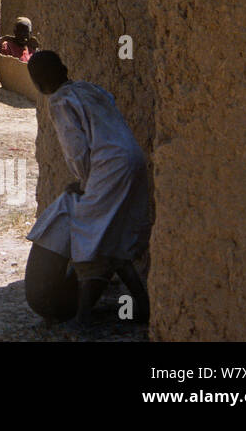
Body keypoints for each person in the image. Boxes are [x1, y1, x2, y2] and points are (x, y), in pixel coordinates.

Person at [22, 50, 151, 328]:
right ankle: (144, 305)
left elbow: (76, 150)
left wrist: (84, 182)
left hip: (109, 165)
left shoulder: (60, 101)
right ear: (66, 68)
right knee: (116, 235)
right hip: (133, 158)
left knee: (89, 237)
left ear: (38, 85)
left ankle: (82, 320)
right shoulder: (89, 89)